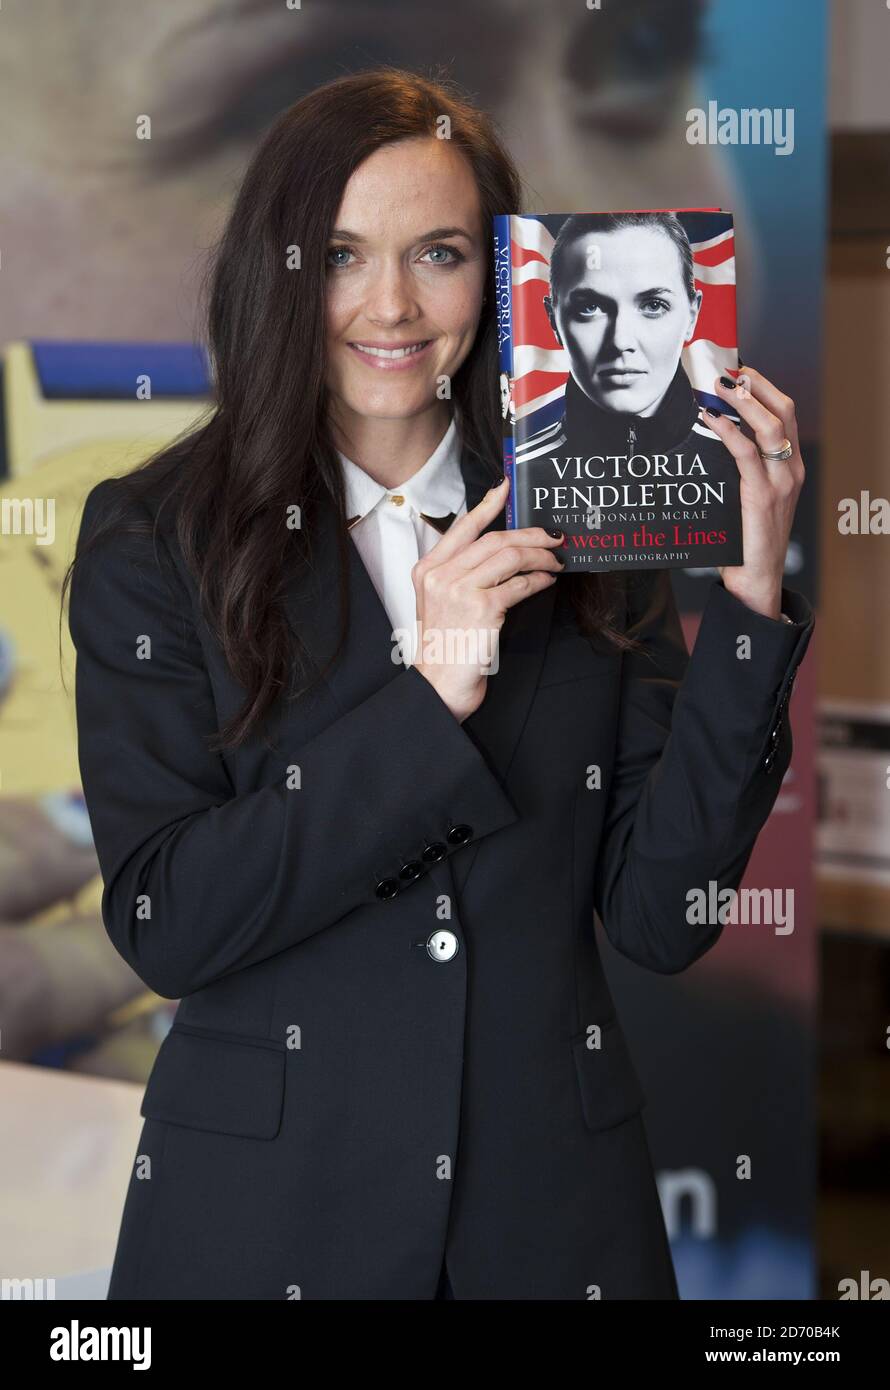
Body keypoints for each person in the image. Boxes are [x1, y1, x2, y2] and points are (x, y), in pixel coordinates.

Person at [64, 69, 814, 1301]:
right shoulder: (155, 537)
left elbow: (658, 920)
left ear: (503, 277)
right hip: (265, 1223)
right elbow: (168, 921)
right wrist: (427, 700)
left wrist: (745, 606)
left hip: (550, 1225)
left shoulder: (586, 522)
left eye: (440, 252)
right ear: (279, 272)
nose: (390, 305)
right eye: (343, 255)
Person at [514, 211, 734, 516]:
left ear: (692, 315)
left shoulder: (734, 469)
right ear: (553, 318)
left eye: (653, 305)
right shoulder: (520, 481)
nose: (620, 341)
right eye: (590, 307)